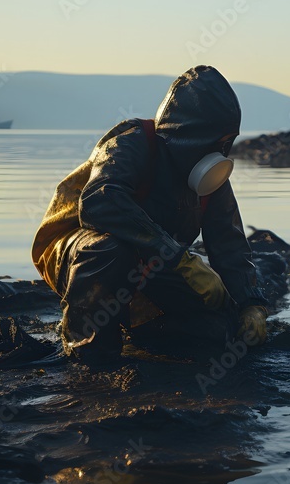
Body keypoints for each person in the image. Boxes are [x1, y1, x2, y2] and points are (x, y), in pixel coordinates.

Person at [31, 66, 267, 361]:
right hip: (79, 251)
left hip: (150, 262)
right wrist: (182, 260)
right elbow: (98, 202)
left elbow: (229, 245)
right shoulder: (131, 143)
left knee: (219, 329)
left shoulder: (212, 180)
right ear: (190, 134)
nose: (221, 150)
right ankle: (87, 352)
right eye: (215, 141)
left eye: (226, 141)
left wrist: (251, 306)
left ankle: (145, 332)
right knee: (109, 250)